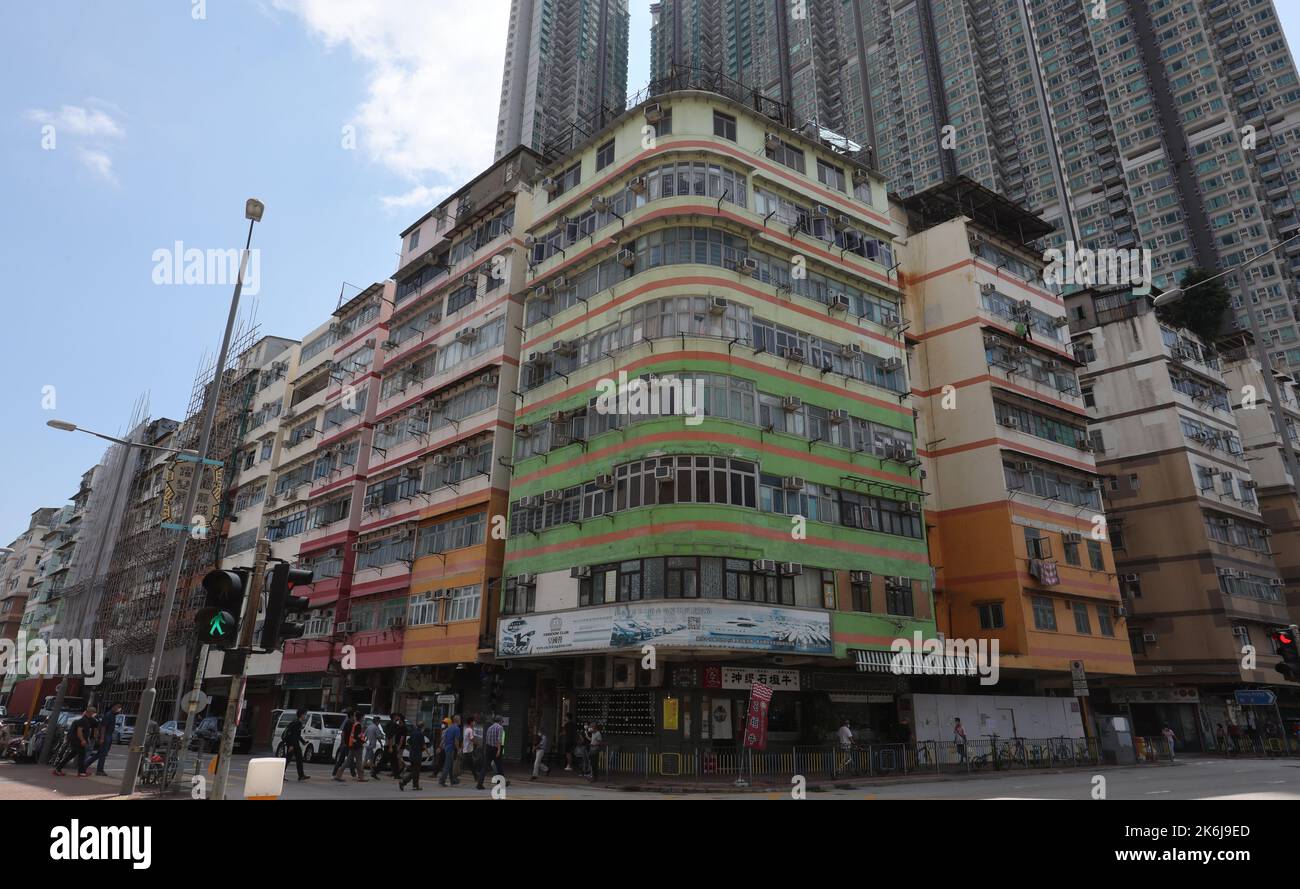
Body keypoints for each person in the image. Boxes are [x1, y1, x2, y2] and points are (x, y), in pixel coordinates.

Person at [53, 707, 97, 777]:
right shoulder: (83, 720)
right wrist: (82, 740)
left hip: (77, 740)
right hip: (78, 741)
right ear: (89, 712)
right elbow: (79, 731)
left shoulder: (85, 720)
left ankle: (58, 768)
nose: (94, 714)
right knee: (81, 756)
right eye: (93, 712)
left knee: (72, 755)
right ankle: (81, 772)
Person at [85, 702, 122, 776]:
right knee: (102, 754)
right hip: (106, 735)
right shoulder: (108, 715)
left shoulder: (113, 715)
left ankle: (85, 765)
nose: (119, 709)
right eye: (118, 707)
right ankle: (99, 770)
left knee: (100, 753)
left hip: (109, 735)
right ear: (113, 706)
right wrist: (102, 738)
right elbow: (103, 727)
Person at [399, 721, 427, 791]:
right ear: (422, 727)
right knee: (415, 771)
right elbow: (423, 745)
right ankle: (403, 782)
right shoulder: (420, 734)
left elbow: (409, 742)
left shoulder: (413, 733)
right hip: (417, 754)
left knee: (415, 770)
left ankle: (415, 785)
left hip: (412, 754)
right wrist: (427, 751)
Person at [282, 709, 309, 781]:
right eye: (305, 714)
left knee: (299, 759)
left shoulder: (297, 722)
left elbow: (297, 735)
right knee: (288, 759)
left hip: (294, 743)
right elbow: (294, 735)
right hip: (293, 744)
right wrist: (291, 745)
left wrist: (303, 742)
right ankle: (281, 775)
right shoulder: (297, 723)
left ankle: (301, 775)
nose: (305, 716)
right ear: (302, 715)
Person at [439, 715, 462, 786]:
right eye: (460, 719)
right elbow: (456, 740)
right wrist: (458, 749)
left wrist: (440, 746)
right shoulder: (457, 728)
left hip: (446, 747)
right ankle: (442, 780)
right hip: (451, 748)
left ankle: (453, 780)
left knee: (450, 765)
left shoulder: (449, 728)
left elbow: (444, 738)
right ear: (457, 720)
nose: (460, 721)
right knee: (447, 765)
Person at [464, 715, 486, 789]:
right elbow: (471, 739)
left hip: (467, 749)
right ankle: (453, 776)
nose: (474, 722)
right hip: (468, 750)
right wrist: (478, 744)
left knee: (472, 764)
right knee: (471, 764)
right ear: (471, 722)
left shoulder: (467, 729)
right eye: (473, 721)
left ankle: (476, 777)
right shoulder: (470, 730)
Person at [485, 715, 507, 785]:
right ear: (500, 721)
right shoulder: (500, 728)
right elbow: (499, 741)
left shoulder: (490, 728)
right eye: (501, 722)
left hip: (489, 748)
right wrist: (499, 750)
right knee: (498, 766)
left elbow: (487, 739)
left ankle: (480, 783)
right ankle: (501, 781)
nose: (502, 723)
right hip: (497, 748)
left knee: (488, 766)